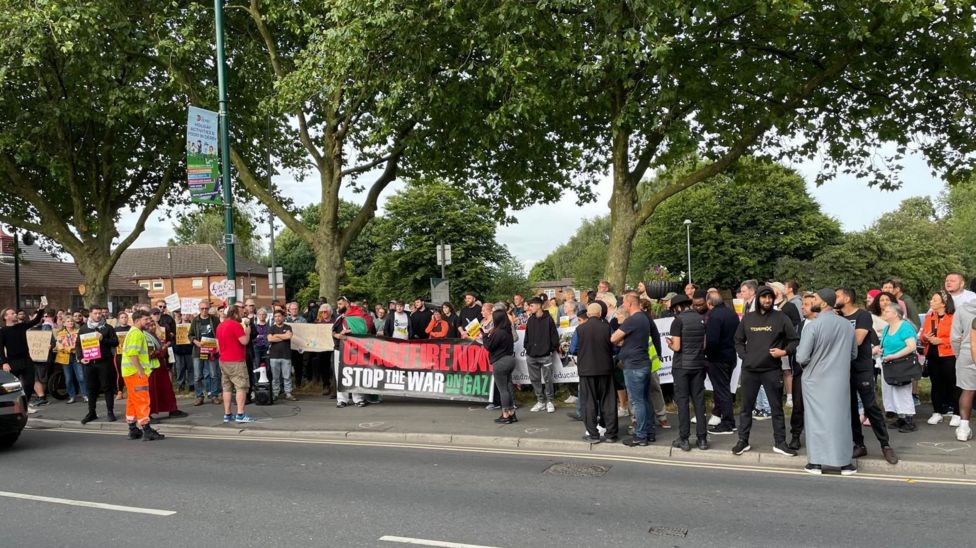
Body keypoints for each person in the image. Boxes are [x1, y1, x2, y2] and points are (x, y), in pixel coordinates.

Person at [794, 289, 858, 475]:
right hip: (840, 380)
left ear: (823, 303)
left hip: (815, 380)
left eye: (815, 298)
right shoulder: (847, 325)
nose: (812, 301)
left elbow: (802, 356)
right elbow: (853, 354)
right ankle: (845, 464)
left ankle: (816, 463)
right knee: (841, 419)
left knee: (816, 421)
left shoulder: (813, 326)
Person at [732, 285, 798, 457]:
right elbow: (738, 340)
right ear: (759, 298)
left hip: (772, 370)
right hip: (750, 370)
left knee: (776, 409)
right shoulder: (748, 318)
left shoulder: (781, 317)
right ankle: (743, 441)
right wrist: (744, 356)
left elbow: (794, 340)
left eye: (770, 297)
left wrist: (784, 352)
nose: (767, 300)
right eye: (764, 297)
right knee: (746, 408)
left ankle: (780, 443)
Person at [838, 288, 898, 464]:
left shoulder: (862, 315)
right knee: (849, 408)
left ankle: (885, 445)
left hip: (862, 368)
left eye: (838, 296)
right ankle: (859, 444)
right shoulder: (838, 317)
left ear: (847, 298)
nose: (835, 298)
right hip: (843, 369)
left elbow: (857, 340)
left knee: (871, 406)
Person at [611, 293, 655, 447]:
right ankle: (649, 432)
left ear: (629, 303)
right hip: (643, 362)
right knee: (645, 400)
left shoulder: (632, 320)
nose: (623, 305)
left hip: (634, 365)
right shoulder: (644, 318)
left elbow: (613, 338)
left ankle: (641, 435)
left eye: (624, 302)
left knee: (637, 402)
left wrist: (619, 340)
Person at [668, 292, 709, 451]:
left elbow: (677, 347)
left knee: (683, 402)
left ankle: (684, 439)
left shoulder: (678, 321)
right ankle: (702, 439)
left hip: (682, 367)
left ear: (678, 307)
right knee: (699, 402)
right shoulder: (701, 319)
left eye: (674, 309)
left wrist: (670, 344)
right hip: (698, 365)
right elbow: (704, 345)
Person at [577, 302, 619, 443]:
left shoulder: (580, 329)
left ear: (588, 314)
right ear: (600, 314)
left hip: (586, 369)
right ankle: (611, 434)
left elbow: (572, 349)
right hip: (605, 368)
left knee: (589, 402)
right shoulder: (607, 328)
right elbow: (615, 348)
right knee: (609, 402)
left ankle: (593, 434)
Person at [121, 310, 164, 441]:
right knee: (142, 400)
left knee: (132, 401)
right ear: (137, 320)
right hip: (136, 373)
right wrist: (140, 370)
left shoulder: (133, 332)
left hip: (129, 373)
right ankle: (147, 430)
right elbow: (133, 354)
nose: (148, 322)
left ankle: (133, 429)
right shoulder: (137, 334)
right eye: (146, 319)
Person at [878, 303, 918, 432]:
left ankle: (909, 419)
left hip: (901, 363)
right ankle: (900, 417)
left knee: (902, 391)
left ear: (896, 314)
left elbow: (911, 346)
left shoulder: (905, 326)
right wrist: (881, 350)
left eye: (887, 311)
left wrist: (894, 356)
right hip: (889, 364)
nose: (884, 313)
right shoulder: (887, 328)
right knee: (891, 391)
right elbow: (885, 344)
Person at [921, 290, 958, 426]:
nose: (931, 301)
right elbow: (922, 335)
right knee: (935, 384)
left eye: (935, 300)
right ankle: (937, 412)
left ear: (944, 303)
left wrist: (941, 341)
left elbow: (958, 337)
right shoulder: (929, 317)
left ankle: (957, 413)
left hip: (949, 355)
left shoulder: (954, 317)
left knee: (952, 384)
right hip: (932, 354)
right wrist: (926, 338)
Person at [705, 292, 740, 435]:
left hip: (718, 358)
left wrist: (708, 354)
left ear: (709, 303)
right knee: (725, 389)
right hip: (731, 355)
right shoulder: (732, 314)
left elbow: (712, 340)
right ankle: (729, 421)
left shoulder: (714, 316)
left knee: (722, 390)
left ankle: (728, 423)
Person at [77, 305, 119, 424]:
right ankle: (92, 413)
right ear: (90, 314)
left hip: (104, 362)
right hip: (89, 363)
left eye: (100, 313)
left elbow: (115, 342)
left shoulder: (108, 328)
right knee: (91, 388)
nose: (98, 315)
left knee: (107, 387)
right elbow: (78, 344)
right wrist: (81, 358)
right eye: (95, 313)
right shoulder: (84, 328)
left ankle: (110, 412)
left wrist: (103, 339)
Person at [1, 306, 48, 407]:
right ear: (5, 317)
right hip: (12, 361)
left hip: (26, 359)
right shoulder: (2, 331)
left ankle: (24, 405)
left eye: (15, 313)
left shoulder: (22, 326)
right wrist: (4, 363)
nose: (15, 314)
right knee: (12, 386)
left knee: (29, 383)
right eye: (12, 313)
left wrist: (41, 309)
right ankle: (14, 406)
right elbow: (0, 349)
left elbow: (36, 320)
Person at [216, 306, 253, 423]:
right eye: (241, 313)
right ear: (235, 313)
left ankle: (227, 414)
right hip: (236, 360)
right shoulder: (236, 325)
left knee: (226, 387)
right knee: (241, 386)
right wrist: (247, 332)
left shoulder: (220, 325)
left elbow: (218, 346)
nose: (242, 315)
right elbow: (244, 341)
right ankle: (240, 414)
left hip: (223, 360)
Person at [524, 296, 559, 413]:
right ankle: (540, 401)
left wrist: (549, 349)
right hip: (531, 355)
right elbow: (527, 336)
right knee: (535, 379)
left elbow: (554, 337)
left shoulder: (549, 319)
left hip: (545, 355)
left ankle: (550, 401)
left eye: (531, 305)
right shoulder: (530, 319)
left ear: (539, 306)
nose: (529, 308)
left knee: (548, 379)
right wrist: (527, 347)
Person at [950, 293, 976, 441]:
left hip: (967, 352)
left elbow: (955, 337)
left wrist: (958, 354)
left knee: (968, 390)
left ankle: (963, 429)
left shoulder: (962, 309)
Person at [485, 309, 517, 424]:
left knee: (503, 390)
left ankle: (505, 415)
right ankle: (512, 413)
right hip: (510, 360)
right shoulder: (507, 331)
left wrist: (484, 336)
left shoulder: (498, 332)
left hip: (500, 362)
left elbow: (489, 346)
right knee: (507, 388)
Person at [189, 300, 221, 406]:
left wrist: (218, 346)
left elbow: (219, 333)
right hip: (198, 351)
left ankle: (214, 395)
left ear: (209, 308)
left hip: (212, 351)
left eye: (206, 308)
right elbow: (190, 335)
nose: (204, 310)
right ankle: (199, 396)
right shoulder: (195, 320)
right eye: (202, 308)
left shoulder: (215, 319)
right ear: (199, 309)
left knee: (214, 374)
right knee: (197, 375)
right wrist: (196, 342)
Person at [54, 315, 87, 404]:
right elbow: (59, 346)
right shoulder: (60, 334)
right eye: (68, 321)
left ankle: (85, 395)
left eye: (72, 321)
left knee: (81, 377)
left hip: (77, 356)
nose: (70, 323)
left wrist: (72, 348)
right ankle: (71, 396)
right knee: (68, 379)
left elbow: (83, 343)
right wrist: (71, 348)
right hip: (65, 358)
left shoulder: (78, 331)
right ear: (64, 323)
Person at [267, 309, 297, 401]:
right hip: (274, 356)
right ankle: (275, 393)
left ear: (283, 317)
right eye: (275, 316)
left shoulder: (288, 327)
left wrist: (276, 335)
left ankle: (288, 393)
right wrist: (283, 336)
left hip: (286, 355)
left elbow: (289, 336)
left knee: (287, 376)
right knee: (275, 377)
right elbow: (270, 339)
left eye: (279, 316)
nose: (277, 318)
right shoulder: (271, 328)